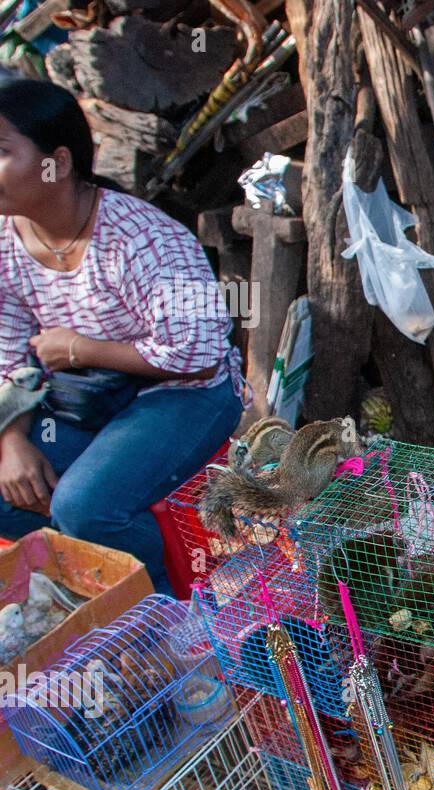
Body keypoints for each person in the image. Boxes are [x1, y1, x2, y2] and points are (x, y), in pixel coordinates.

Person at [0, 79, 246, 593]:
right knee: (13, 490)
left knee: (85, 505)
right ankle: (88, 590)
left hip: (185, 394)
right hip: (91, 398)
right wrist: (13, 439)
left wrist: (80, 349)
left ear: (57, 162)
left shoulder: (144, 238)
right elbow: (9, 351)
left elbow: (199, 356)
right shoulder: (7, 240)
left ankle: (164, 621)